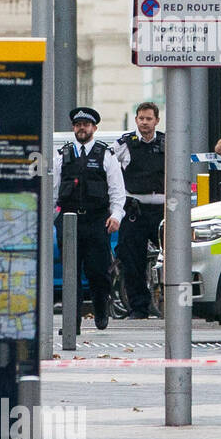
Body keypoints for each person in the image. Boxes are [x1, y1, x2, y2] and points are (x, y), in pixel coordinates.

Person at [52, 106, 125, 331]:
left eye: (85, 125)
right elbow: (53, 192)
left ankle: (101, 312)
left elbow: (116, 190)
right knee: (70, 273)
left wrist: (116, 216)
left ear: (94, 128)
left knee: (98, 271)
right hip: (69, 221)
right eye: (77, 125)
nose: (81, 128)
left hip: (96, 221)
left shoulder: (105, 154)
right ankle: (71, 324)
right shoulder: (62, 155)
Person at [112, 102, 164, 320]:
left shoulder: (167, 142)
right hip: (135, 210)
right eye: (141, 118)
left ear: (156, 121)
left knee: (174, 256)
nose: (144, 122)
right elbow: (110, 172)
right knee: (132, 260)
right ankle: (138, 308)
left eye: (149, 119)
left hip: (163, 209)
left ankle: (173, 305)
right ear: (136, 120)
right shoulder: (124, 144)